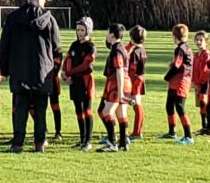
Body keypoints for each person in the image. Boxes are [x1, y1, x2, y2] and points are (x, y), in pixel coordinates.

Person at [0, 0, 62, 153]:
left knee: (20, 109)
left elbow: (4, 46)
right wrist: (54, 70)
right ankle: (39, 143)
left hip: (19, 71)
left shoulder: (13, 18)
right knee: (41, 110)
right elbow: (57, 49)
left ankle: (18, 144)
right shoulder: (49, 20)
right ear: (39, 0)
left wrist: (4, 70)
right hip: (43, 72)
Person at [62, 17, 96, 151]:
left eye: (82, 30)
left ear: (88, 30)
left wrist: (70, 72)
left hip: (85, 81)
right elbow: (67, 60)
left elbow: (86, 65)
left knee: (87, 110)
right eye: (78, 30)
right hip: (74, 82)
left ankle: (88, 140)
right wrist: (64, 74)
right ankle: (82, 139)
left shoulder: (90, 47)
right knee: (78, 110)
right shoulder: (74, 45)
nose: (80, 32)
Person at [97, 23, 131, 153]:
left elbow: (119, 70)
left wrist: (121, 91)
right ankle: (123, 142)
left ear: (111, 34)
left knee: (105, 112)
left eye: (107, 32)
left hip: (117, 84)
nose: (106, 34)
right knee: (121, 113)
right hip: (123, 83)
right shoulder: (120, 48)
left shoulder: (117, 50)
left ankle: (112, 142)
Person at [160, 23, 194, 145]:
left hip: (181, 81)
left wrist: (167, 76)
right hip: (176, 81)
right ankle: (171, 132)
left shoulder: (180, 49)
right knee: (169, 105)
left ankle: (188, 135)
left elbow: (177, 65)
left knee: (179, 107)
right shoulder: (187, 48)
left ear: (175, 36)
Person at [126, 25, 148, 140]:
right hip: (140, 78)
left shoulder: (135, 53)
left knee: (136, 105)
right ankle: (138, 131)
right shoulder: (142, 50)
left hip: (135, 79)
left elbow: (132, 68)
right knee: (137, 104)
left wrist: (127, 79)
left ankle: (136, 132)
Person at [192, 30, 210, 135]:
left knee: (204, 103)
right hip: (198, 83)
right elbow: (194, 69)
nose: (198, 42)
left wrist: (199, 81)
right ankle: (205, 125)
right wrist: (193, 81)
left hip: (205, 82)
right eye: (197, 40)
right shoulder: (197, 55)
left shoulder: (206, 54)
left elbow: (205, 70)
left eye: (201, 40)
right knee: (201, 105)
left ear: (206, 42)